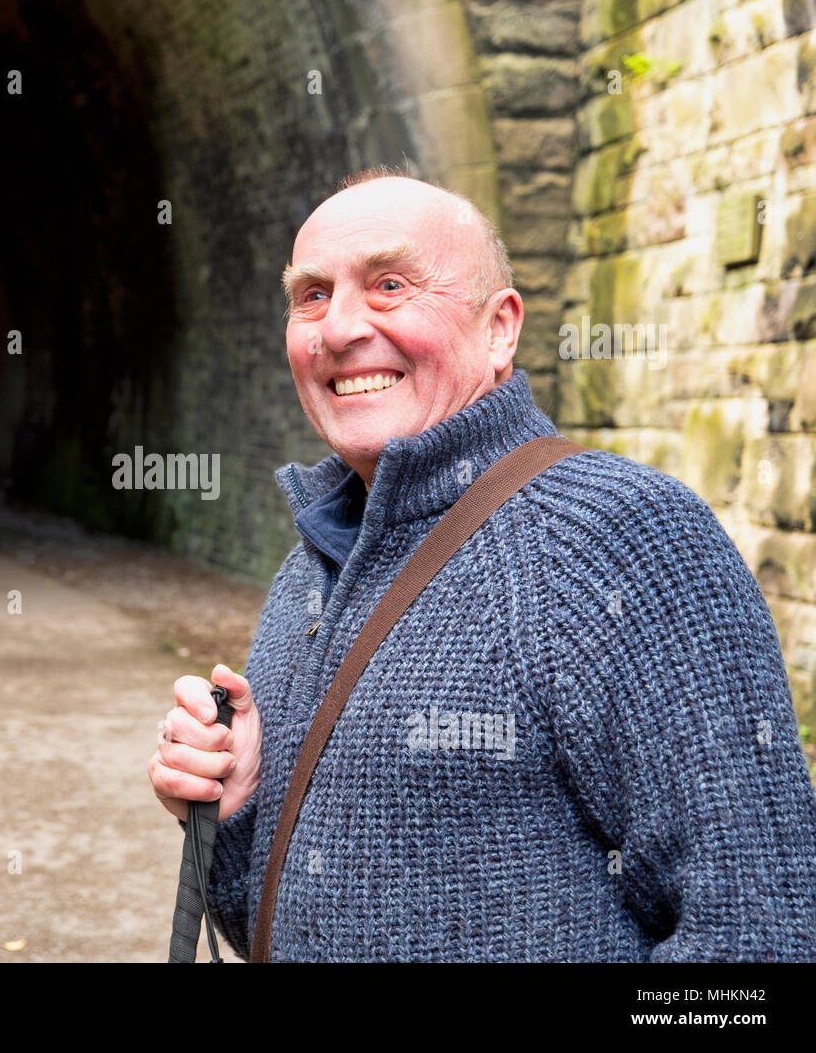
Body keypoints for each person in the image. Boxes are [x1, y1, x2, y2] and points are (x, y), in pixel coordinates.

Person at [147, 165, 816, 961]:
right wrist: (239, 811)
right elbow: (278, 929)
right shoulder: (317, 561)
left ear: (499, 328)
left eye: (389, 284)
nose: (338, 327)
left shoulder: (625, 536)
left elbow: (762, 933)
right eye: (312, 295)